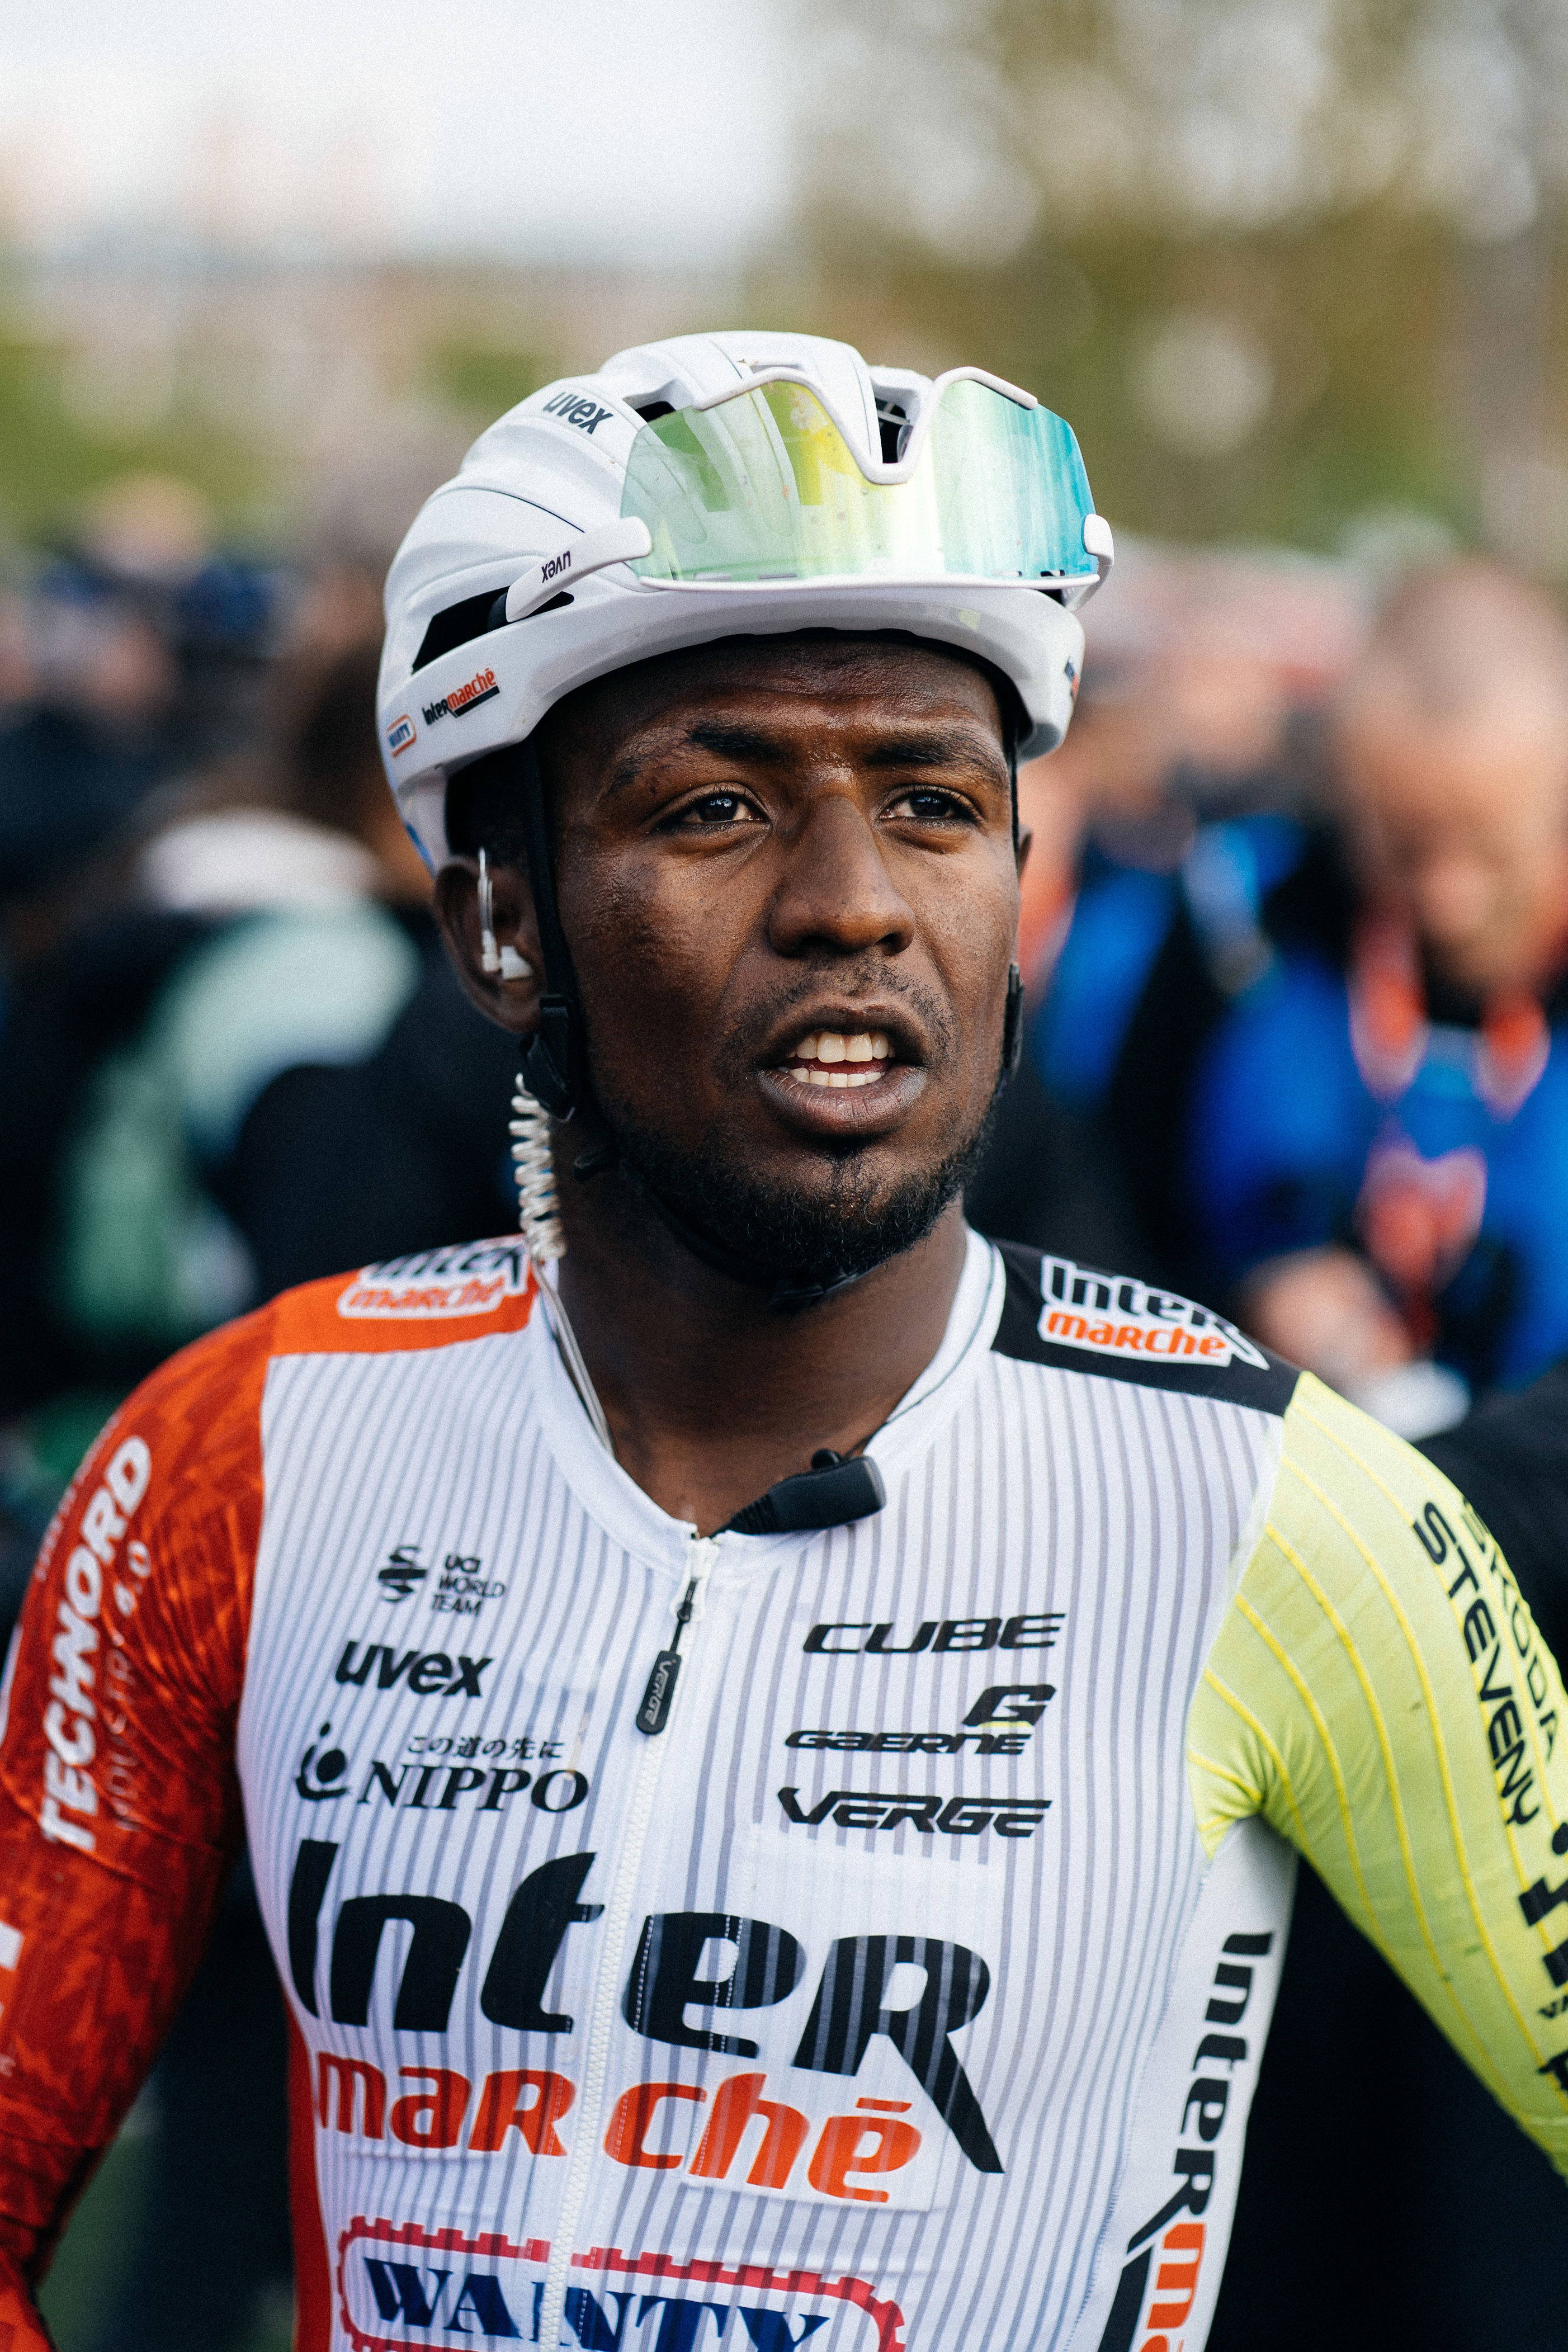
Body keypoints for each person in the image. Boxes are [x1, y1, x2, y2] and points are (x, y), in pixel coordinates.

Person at [0, 333, 1564, 2352]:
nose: (852, 903)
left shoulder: (1280, 1509)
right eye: (719, 801)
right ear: (497, 914)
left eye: (931, 800)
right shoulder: (242, 1456)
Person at [1188, 559, 1568, 1426]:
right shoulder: (1239, 923)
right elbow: (1104, 1212)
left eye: (1495, 852)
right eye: (1404, 845)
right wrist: (1250, 1291)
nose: (1447, 896)